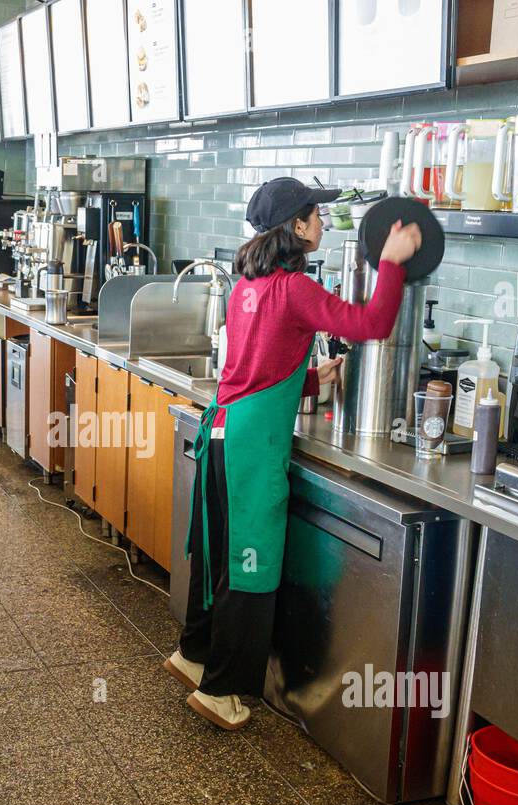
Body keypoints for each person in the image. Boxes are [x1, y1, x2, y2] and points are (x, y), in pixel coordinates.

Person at [164, 177, 422, 730]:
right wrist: (393, 263)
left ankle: (194, 653)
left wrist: (309, 380)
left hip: (222, 432)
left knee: (218, 558)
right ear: (298, 227)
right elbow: (373, 324)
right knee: (249, 569)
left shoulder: (245, 286)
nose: (323, 223)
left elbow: (250, 368)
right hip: (254, 447)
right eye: (317, 215)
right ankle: (221, 692)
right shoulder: (296, 290)